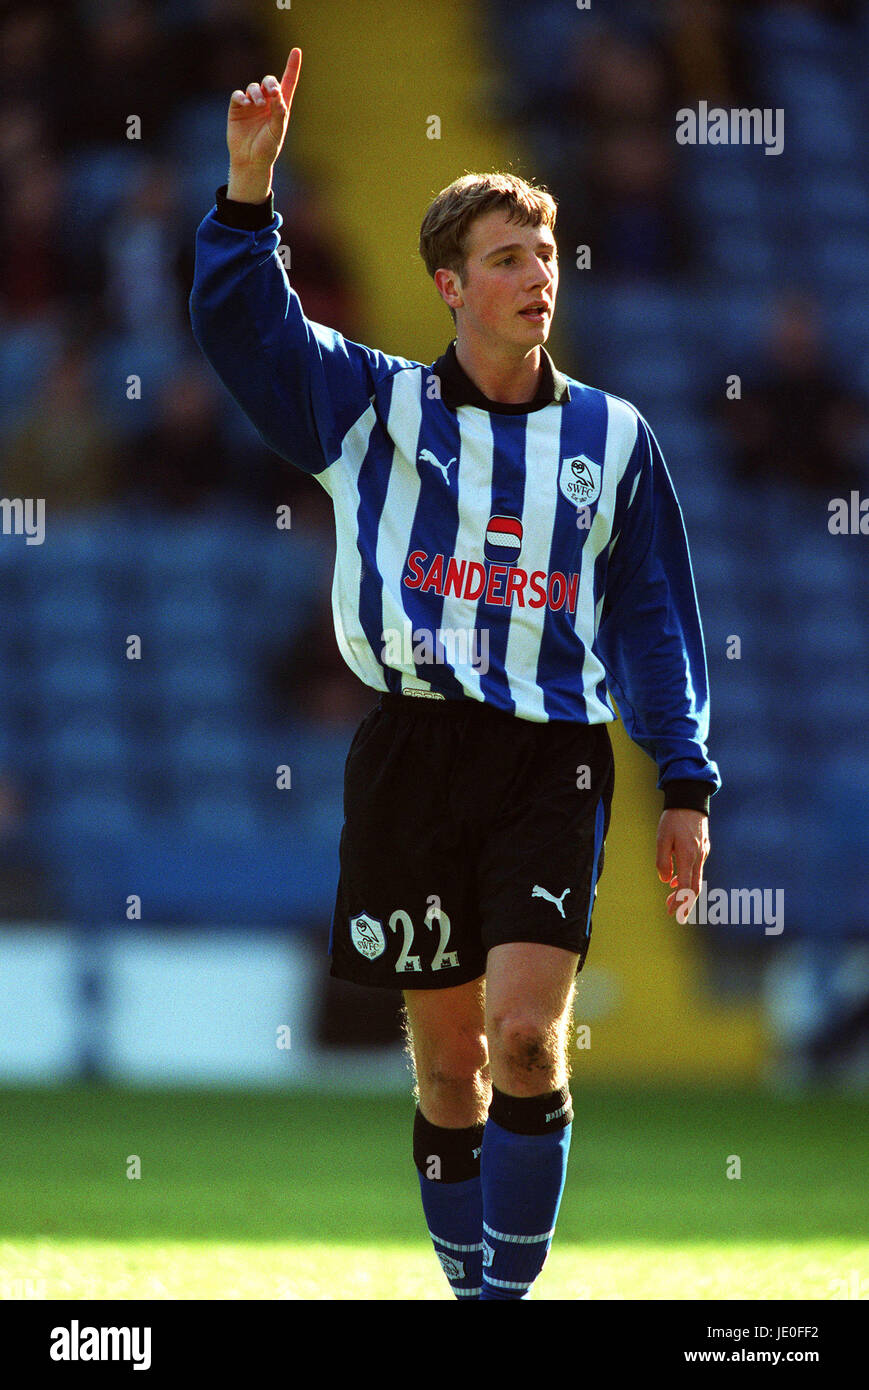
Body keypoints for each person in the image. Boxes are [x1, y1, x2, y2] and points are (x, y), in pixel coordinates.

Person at [189, 49, 720, 1301]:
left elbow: (651, 615)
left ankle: (503, 1297)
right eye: (504, 259)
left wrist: (684, 780)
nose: (535, 278)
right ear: (448, 285)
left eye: (543, 256)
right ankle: (468, 1283)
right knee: (445, 1070)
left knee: (528, 1039)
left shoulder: (614, 439)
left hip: (549, 754)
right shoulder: (367, 411)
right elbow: (241, 328)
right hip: (413, 752)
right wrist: (247, 193)